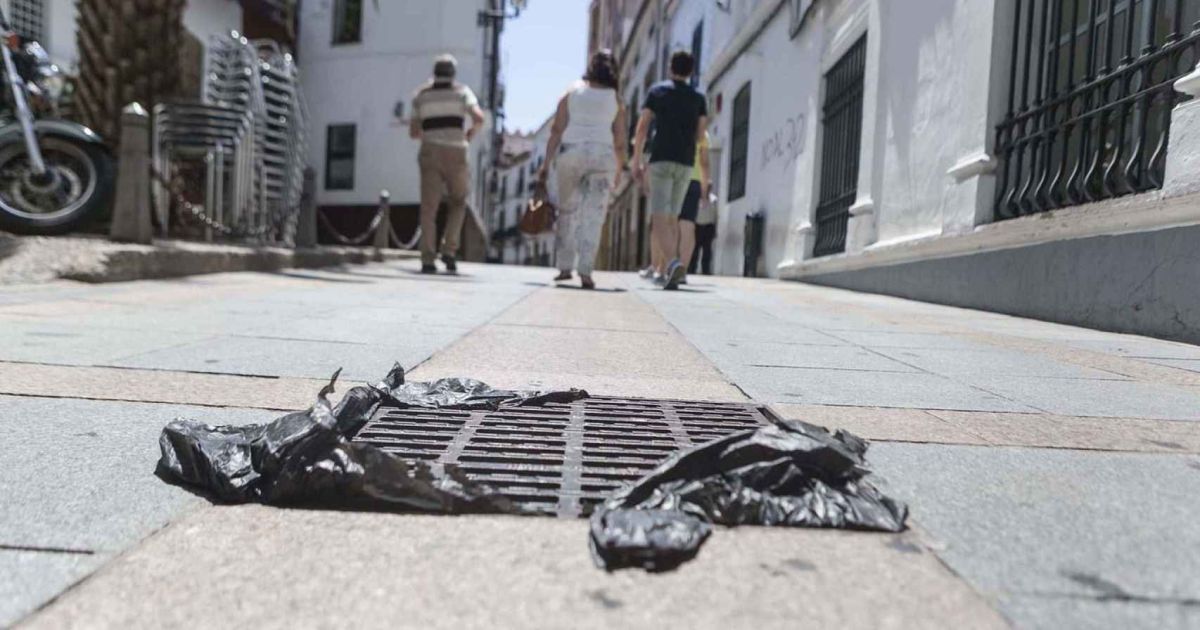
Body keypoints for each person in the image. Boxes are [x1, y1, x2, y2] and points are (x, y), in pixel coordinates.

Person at [537, 50, 628, 290]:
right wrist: (619, 169)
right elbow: (619, 140)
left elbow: (556, 130)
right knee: (594, 216)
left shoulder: (571, 93)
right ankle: (586, 271)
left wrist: (546, 164)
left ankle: (565, 267)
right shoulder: (616, 100)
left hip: (571, 154)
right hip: (602, 157)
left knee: (567, 211)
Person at [632, 50, 708, 290]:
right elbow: (700, 134)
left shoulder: (657, 92)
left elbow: (642, 128)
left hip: (662, 158)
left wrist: (636, 161)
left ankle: (673, 264)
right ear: (691, 72)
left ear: (670, 68)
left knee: (659, 217)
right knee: (673, 218)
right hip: (686, 162)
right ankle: (670, 270)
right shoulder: (699, 98)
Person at [410, 54, 486, 274]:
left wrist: (431, 129)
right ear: (453, 74)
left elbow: (414, 132)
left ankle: (427, 258)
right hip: (457, 151)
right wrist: (469, 134)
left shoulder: (420, 96)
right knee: (459, 201)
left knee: (429, 207)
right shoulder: (462, 93)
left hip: (430, 151)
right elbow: (479, 118)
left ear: (434, 73)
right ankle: (449, 250)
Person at [677, 130, 710, 284]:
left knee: (668, 223)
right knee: (688, 226)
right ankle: (682, 270)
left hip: (675, 179)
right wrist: (704, 191)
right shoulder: (703, 134)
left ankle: (663, 268)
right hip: (694, 181)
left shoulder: (674, 123)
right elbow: (704, 163)